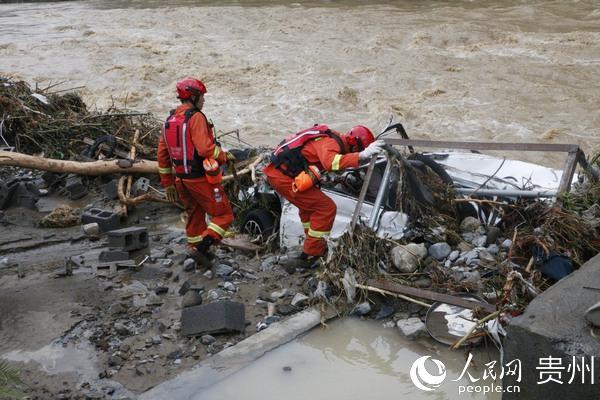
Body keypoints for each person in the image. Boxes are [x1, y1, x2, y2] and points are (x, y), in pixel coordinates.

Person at [263, 124, 386, 270]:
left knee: (308, 208)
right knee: (325, 208)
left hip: (280, 173)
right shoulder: (331, 143)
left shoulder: (331, 138)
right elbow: (330, 163)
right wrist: (361, 156)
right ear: (354, 145)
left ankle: (310, 246)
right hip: (283, 177)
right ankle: (312, 254)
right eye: (359, 149)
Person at [157, 77, 234, 267]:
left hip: (181, 180)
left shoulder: (170, 120)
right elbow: (205, 149)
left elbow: (162, 156)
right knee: (224, 215)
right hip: (199, 178)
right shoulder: (196, 117)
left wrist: (168, 184)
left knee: (194, 214)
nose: (204, 100)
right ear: (192, 97)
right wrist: (225, 157)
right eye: (201, 96)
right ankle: (202, 248)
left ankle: (195, 253)